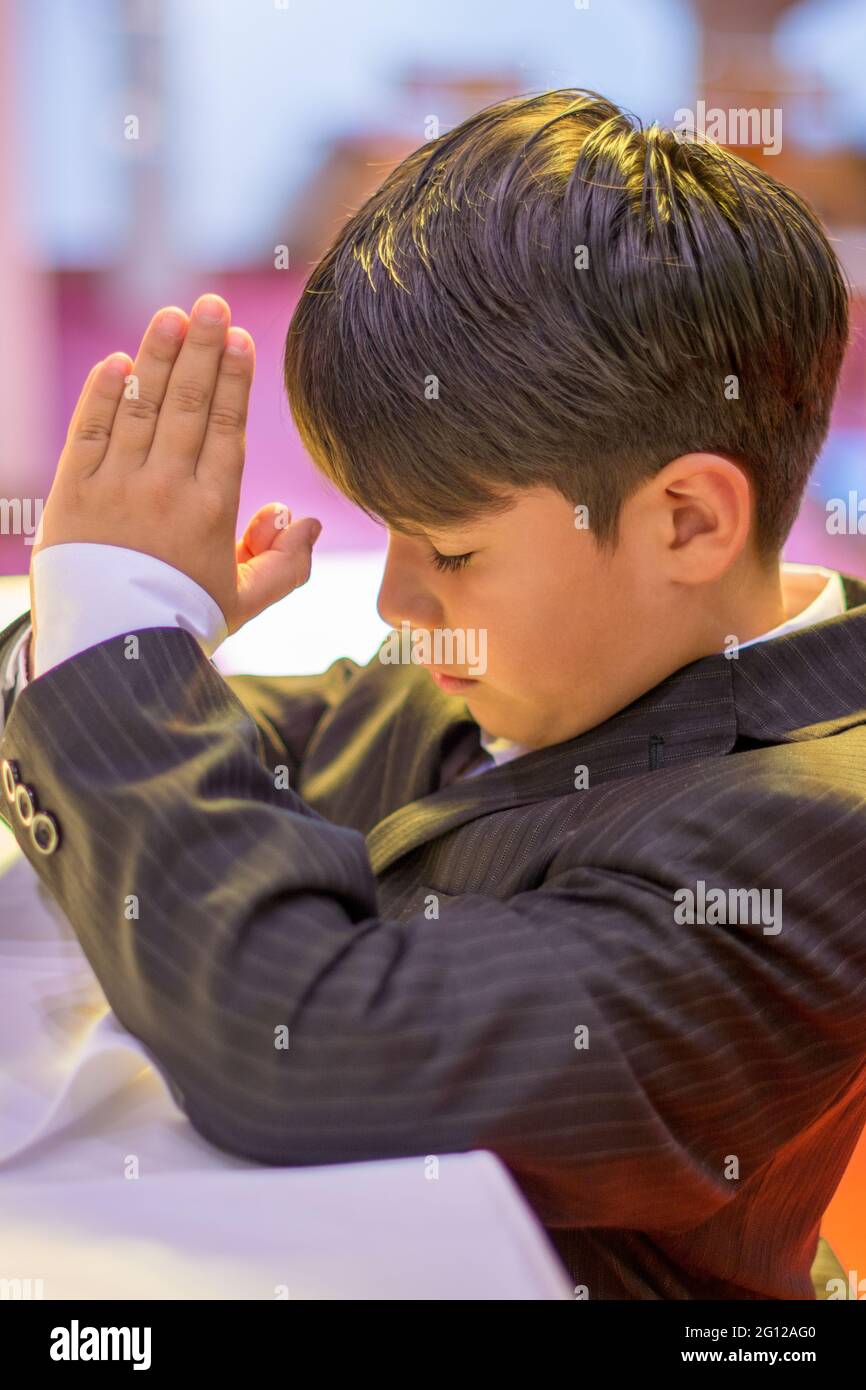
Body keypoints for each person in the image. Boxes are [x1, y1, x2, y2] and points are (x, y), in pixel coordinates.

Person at [1, 90, 864, 1300]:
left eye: (448, 551)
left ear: (685, 520)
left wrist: (124, 644)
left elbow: (302, 1044)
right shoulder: (539, 667)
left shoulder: (816, 834)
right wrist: (113, 645)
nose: (396, 601)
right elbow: (168, 760)